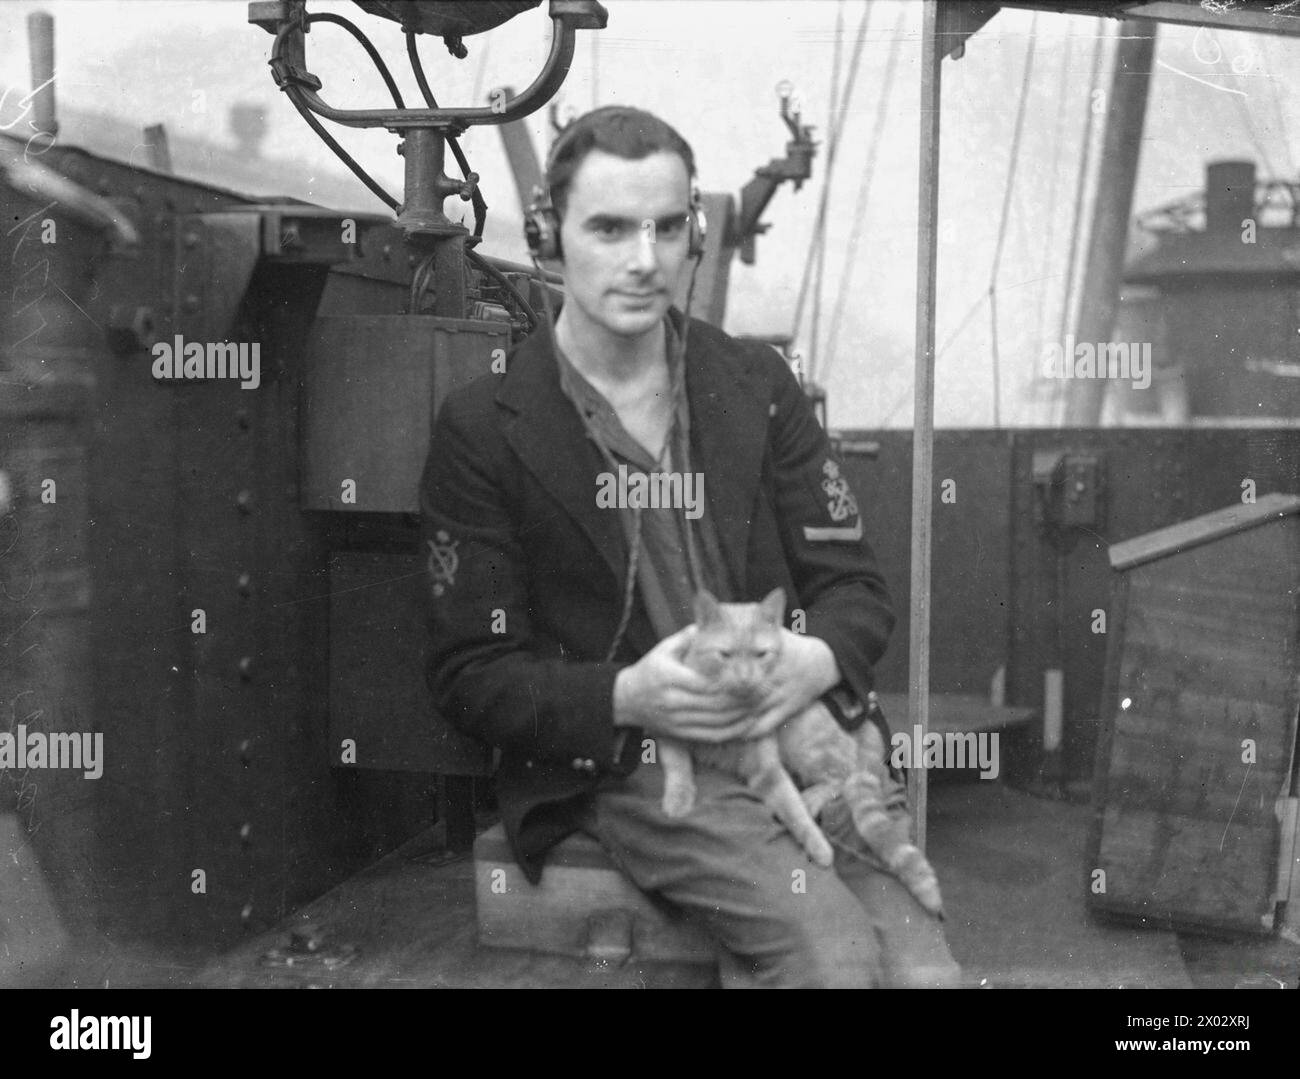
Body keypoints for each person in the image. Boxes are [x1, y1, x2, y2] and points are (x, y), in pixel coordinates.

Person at [419, 105, 960, 988]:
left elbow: (855, 587)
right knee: (833, 961)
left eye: (667, 228)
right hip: (642, 765)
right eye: (610, 228)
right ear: (551, 237)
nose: (644, 259)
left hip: (809, 739)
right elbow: (470, 673)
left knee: (929, 977)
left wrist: (813, 660)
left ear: (694, 235)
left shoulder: (757, 386)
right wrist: (629, 693)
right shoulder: (483, 428)